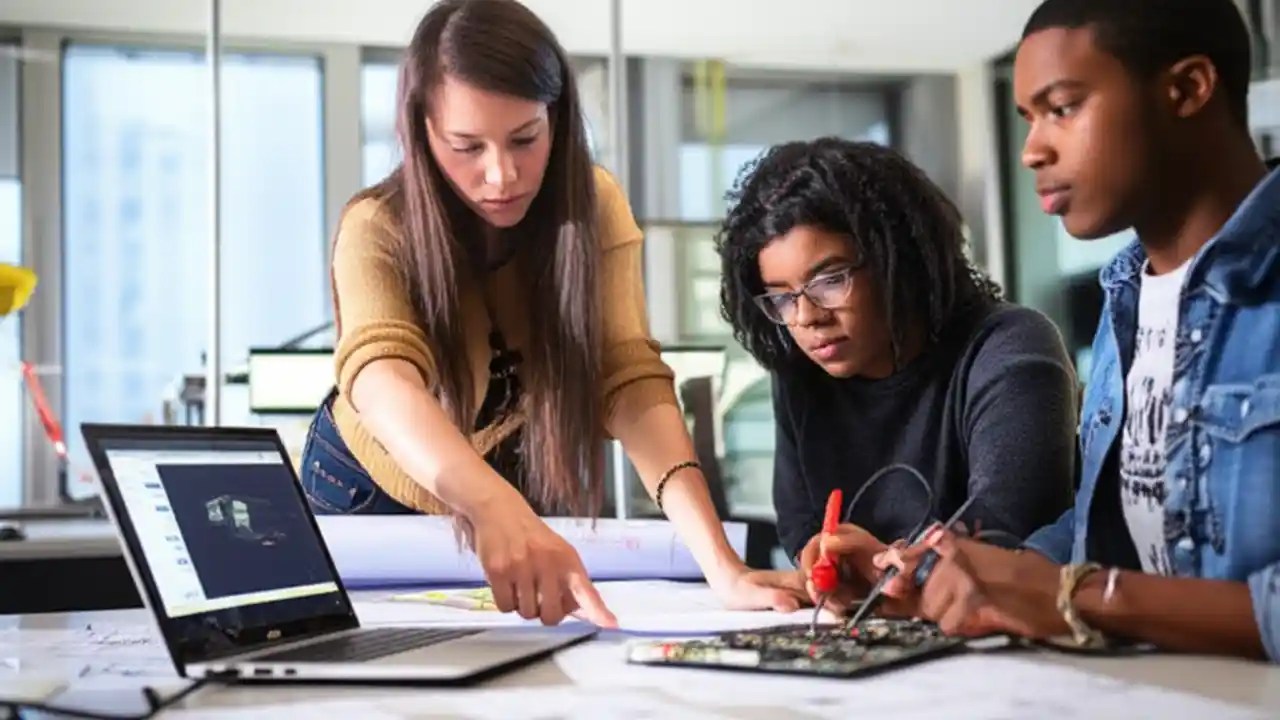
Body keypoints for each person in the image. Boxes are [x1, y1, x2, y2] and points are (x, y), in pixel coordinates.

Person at [299, 0, 803, 628]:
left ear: (557, 120)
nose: (501, 174)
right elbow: (382, 380)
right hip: (364, 497)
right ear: (421, 131)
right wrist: (493, 506)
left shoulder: (594, 204)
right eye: (466, 146)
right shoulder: (376, 224)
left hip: (505, 493)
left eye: (525, 139)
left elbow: (629, 379)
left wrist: (721, 566)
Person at [872, 0, 1280, 662]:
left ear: (1187, 89)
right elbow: (1115, 526)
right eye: (1028, 118)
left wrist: (1075, 597)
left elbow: (1097, 588)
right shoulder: (1127, 302)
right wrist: (961, 576)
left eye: (1062, 108)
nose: (1032, 150)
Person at [715, 137, 1078, 612]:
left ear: (897, 258)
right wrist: (821, 562)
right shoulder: (801, 374)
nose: (806, 317)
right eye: (782, 297)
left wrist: (889, 572)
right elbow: (803, 525)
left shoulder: (1011, 348)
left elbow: (1010, 530)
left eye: (830, 280)